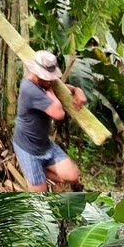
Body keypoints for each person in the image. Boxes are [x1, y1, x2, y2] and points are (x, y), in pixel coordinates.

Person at [13, 50, 88, 192]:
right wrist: (51, 90)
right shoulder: (29, 88)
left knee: (73, 175)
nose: (50, 80)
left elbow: (66, 89)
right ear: (36, 73)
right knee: (42, 193)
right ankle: (36, 170)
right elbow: (59, 113)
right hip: (28, 148)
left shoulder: (45, 83)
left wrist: (77, 90)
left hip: (45, 145)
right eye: (47, 77)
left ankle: (41, 170)